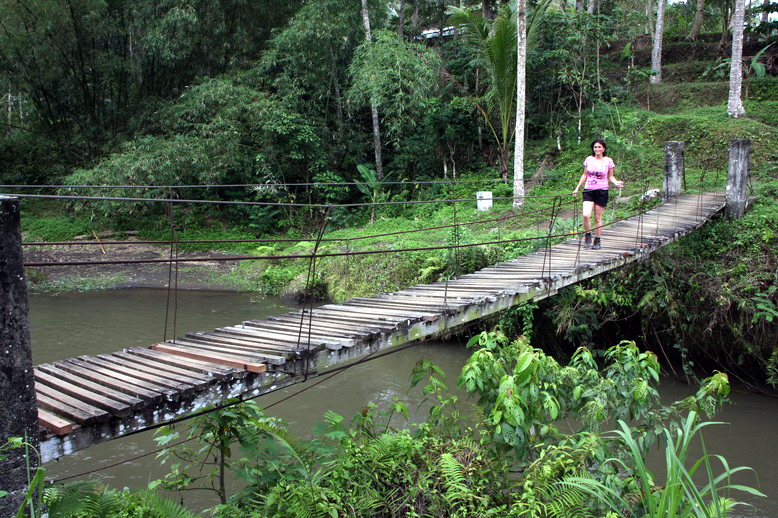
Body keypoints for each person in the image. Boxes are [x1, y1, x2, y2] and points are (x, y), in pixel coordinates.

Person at [572, 139, 624, 250]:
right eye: (595, 147)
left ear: (603, 149)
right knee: (586, 215)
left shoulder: (608, 161)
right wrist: (577, 188)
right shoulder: (589, 159)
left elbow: (610, 176)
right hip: (588, 190)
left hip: (602, 191)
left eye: (599, 147)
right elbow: (585, 175)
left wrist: (616, 182)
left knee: (597, 218)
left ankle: (597, 240)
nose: (597, 149)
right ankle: (588, 235)